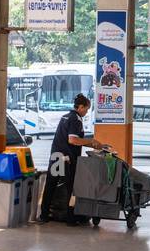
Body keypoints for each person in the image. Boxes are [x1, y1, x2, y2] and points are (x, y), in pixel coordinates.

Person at [38, 94, 107, 224]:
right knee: (70, 187)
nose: (86, 112)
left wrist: (91, 143)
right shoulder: (75, 119)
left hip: (56, 156)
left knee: (51, 185)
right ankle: (69, 218)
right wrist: (91, 141)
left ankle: (44, 215)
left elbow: (71, 139)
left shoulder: (65, 116)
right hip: (67, 159)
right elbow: (73, 140)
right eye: (86, 109)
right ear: (80, 107)